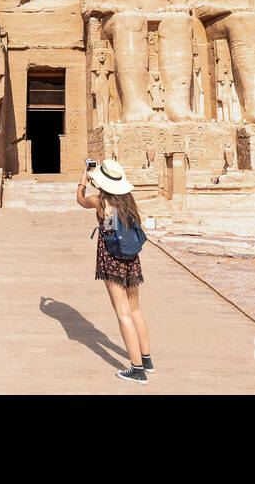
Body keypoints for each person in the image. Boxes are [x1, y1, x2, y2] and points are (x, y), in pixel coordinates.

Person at [77, 158, 154, 384]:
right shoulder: (127, 201)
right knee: (135, 309)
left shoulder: (101, 202)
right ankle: (147, 359)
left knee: (122, 313)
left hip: (111, 258)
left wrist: (84, 178)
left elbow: (80, 200)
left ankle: (137, 369)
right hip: (131, 258)